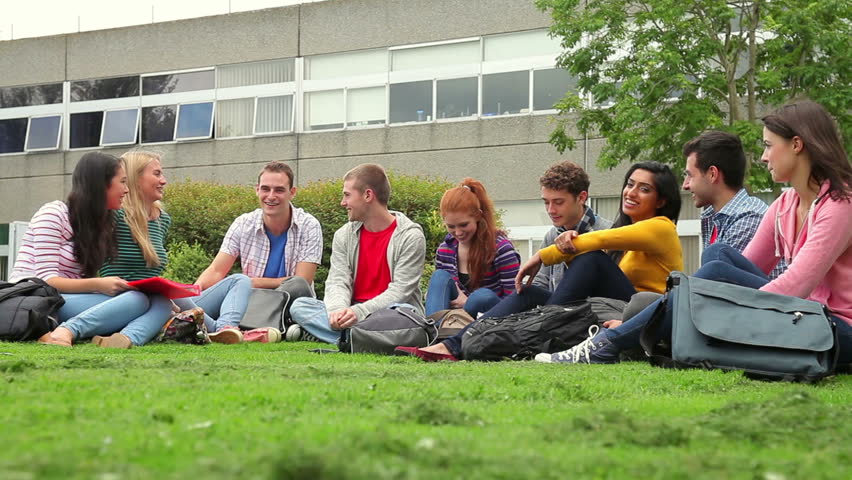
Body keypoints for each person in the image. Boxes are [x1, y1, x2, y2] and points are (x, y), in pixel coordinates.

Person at [538, 100, 852, 365]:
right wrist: (696, 306)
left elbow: (796, 286)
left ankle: (606, 343)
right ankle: (622, 338)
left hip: (834, 326)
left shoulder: (840, 204)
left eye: (769, 146)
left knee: (712, 273)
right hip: (802, 314)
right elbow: (739, 270)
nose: (765, 156)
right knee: (718, 258)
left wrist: (706, 310)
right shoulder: (785, 204)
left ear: (797, 145)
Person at [10, 152, 169, 348]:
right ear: (101, 184)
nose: (127, 190)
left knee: (162, 301)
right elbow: (46, 280)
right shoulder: (53, 214)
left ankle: (125, 339)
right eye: (122, 182)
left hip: (70, 299)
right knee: (137, 301)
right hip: (38, 299)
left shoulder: (101, 224)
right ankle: (66, 331)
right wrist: (98, 284)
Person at [175, 161, 322, 344]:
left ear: (292, 193)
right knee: (226, 293)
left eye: (279, 190)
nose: (271, 196)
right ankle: (227, 328)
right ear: (257, 190)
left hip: (287, 301)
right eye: (265, 189)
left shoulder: (309, 225)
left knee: (296, 285)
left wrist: (252, 282)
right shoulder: (243, 224)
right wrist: (195, 297)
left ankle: (226, 328)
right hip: (249, 302)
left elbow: (303, 280)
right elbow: (216, 271)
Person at [288, 163, 426, 344]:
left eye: (347, 195)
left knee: (405, 314)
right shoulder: (343, 235)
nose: (342, 203)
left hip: (391, 313)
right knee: (300, 306)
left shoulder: (411, 236)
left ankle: (335, 335)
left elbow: (400, 291)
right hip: (351, 312)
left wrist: (358, 313)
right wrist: (338, 311)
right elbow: (337, 281)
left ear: (368, 195)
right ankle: (359, 338)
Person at [92, 151, 174, 347]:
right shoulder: (115, 216)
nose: (163, 181)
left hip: (151, 297)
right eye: (157, 174)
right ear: (135, 179)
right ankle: (218, 330)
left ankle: (222, 329)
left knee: (235, 281)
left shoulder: (163, 220)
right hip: (121, 298)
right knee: (164, 303)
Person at [682, 130, 785, 277]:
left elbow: (718, 288)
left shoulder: (748, 219)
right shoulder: (713, 217)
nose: (685, 185)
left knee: (715, 253)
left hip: (762, 299)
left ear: (712, 174)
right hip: (736, 298)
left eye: (690, 175)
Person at [424, 178, 520, 318]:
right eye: (451, 226)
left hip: (491, 320)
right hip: (453, 322)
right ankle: (434, 332)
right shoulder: (445, 250)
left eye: (463, 225)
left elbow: (514, 303)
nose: (458, 232)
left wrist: (467, 303)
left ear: (478, 216)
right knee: (439, 277)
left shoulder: (501, 249)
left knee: (481, 297)